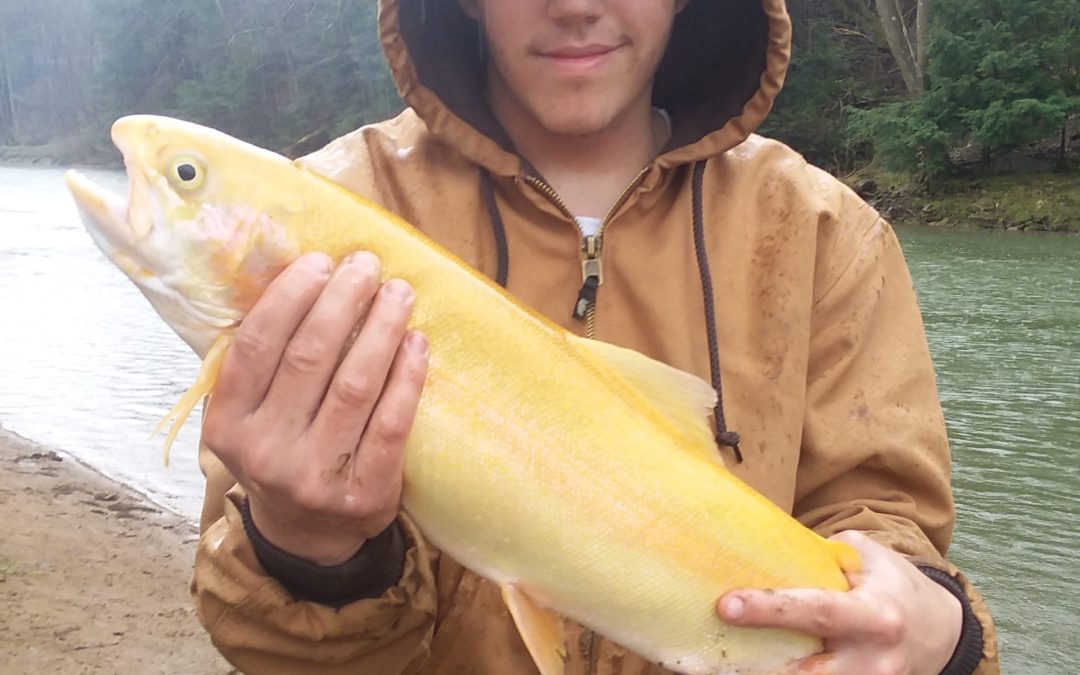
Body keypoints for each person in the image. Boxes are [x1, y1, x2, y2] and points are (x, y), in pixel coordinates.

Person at [191, 1, 999, 673]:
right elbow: (268, 644)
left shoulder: (825, 234)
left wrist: (935, 625)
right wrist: (306, 549)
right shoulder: (320, 223)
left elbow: (882, 519)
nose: (576, 6)